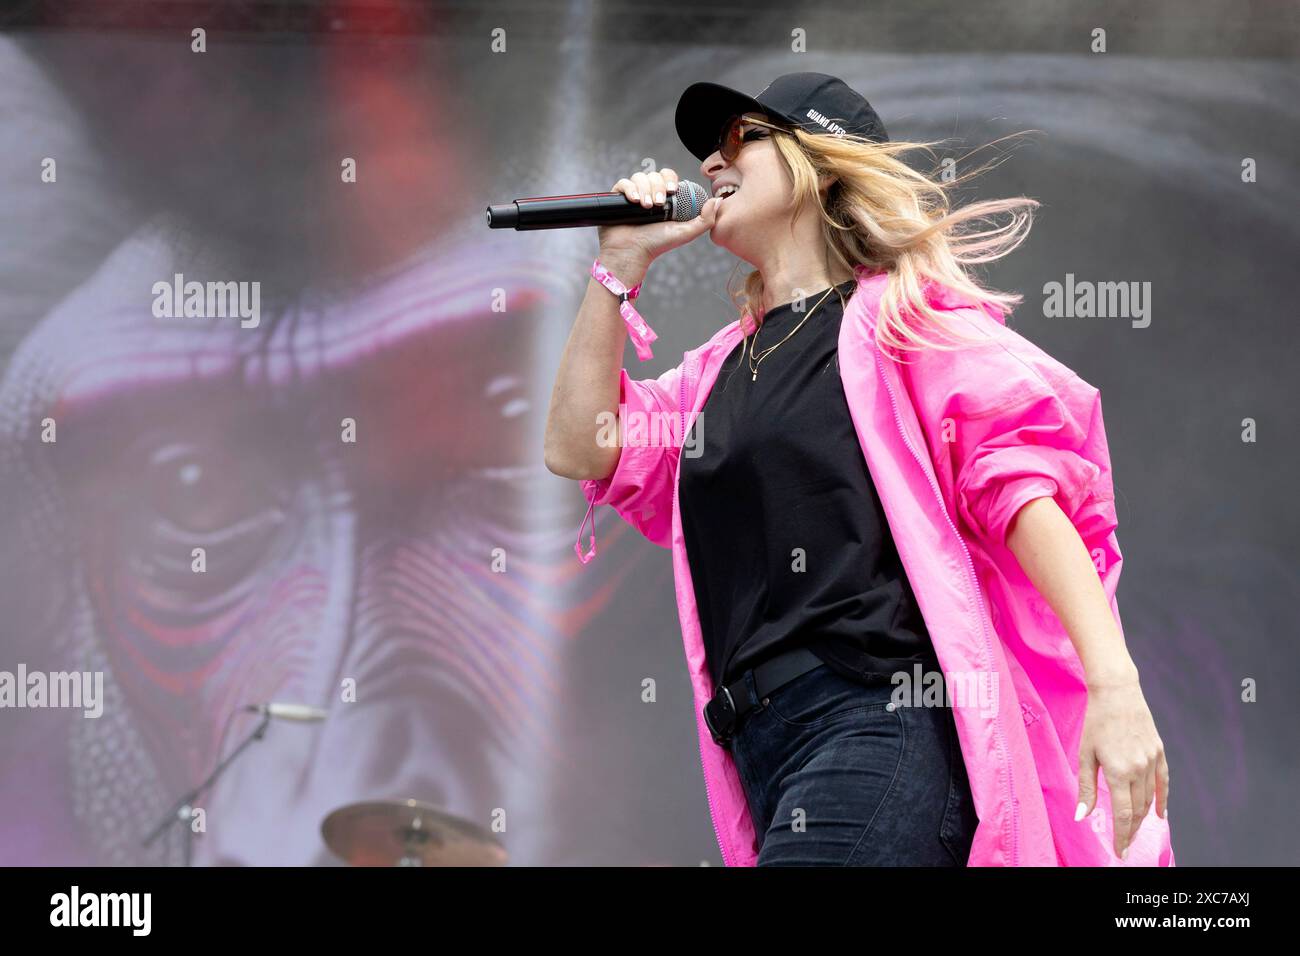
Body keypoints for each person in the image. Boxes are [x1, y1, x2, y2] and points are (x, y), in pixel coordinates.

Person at [544, 72, 1173, 866]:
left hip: (878, 723)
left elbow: (1024, 491)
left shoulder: (903, 319)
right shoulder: (712, 376)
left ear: (817, 166)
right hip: (765, 754)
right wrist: (615, 269)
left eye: (740, 138)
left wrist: (1114, 685)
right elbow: (579, 446)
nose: (709, 162)